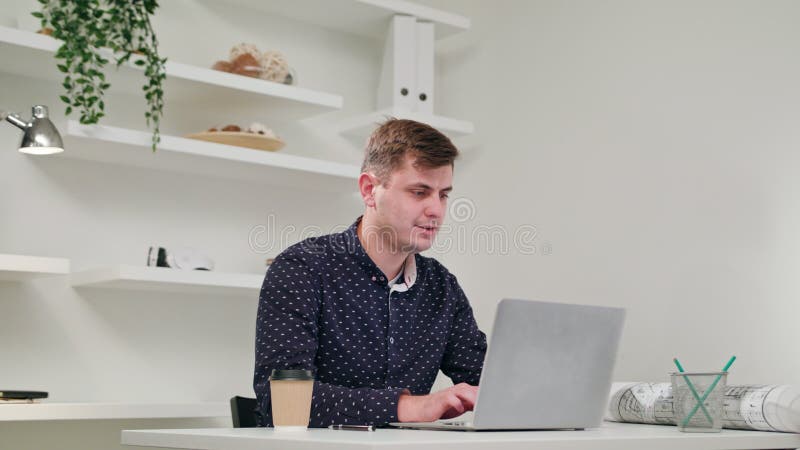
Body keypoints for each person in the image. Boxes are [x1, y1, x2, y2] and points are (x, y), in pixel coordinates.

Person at [253, 118, 487, 427]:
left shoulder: (441, 287)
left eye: (443, 195)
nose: (437, 210)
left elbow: (488, 380)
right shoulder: (301, 269)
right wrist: (408, 407)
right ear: (369, 190)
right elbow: (283, 402)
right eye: (419, 192)